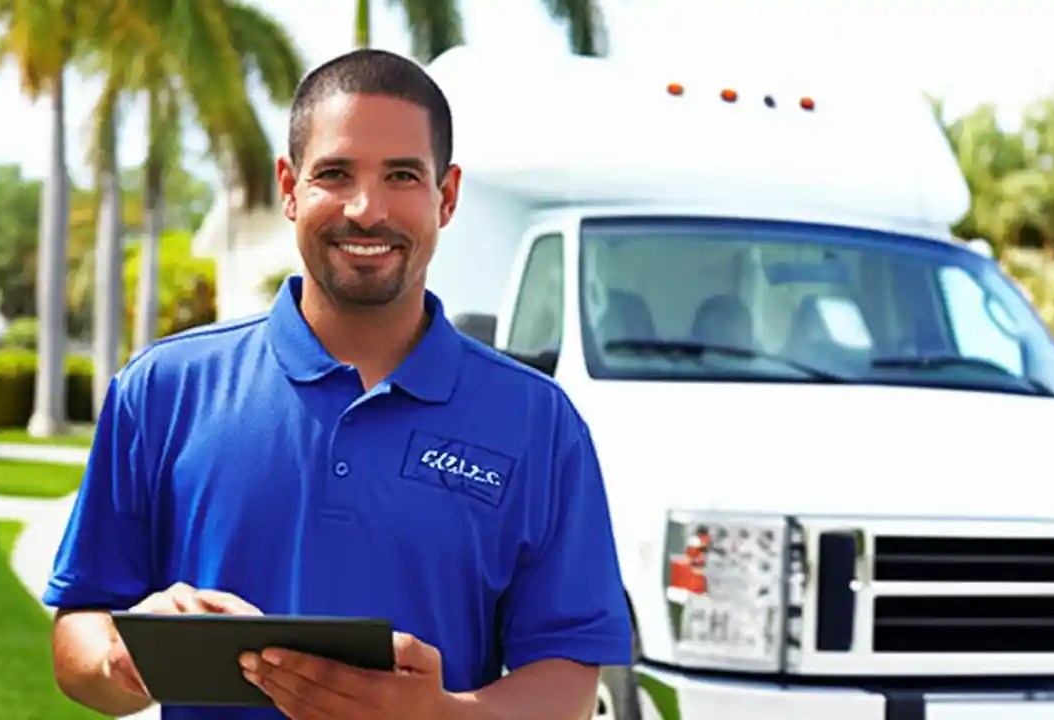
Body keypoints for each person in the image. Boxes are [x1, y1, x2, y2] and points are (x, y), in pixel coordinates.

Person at [44, 48, 634, 719]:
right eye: (335, 174)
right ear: (290, 188)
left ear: (446, 196)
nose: (365, 209)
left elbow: (567, 686)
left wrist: (439, 714)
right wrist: (121, 655)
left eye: (402, 176)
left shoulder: (538, 423)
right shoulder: (164, 390)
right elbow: (76, 634)